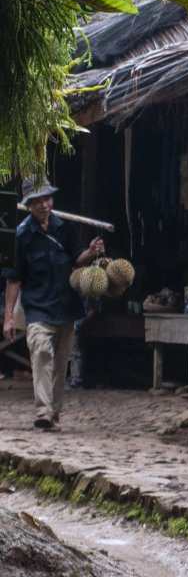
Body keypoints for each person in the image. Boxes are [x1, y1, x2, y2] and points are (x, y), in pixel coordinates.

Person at [2, 177, 105, 431]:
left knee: (61, 363)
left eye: (47, 199)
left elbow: (77, 258)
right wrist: (8, 317)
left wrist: (91, 251)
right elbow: (13, 278)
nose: (44, 205)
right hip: (37, 307)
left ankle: (53, 413)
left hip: (66, 305)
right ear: (28, 205)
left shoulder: (65, 228)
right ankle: (43, 411)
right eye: (37, 201)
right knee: (41, 353)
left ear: (52, 200)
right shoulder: (22, 236)